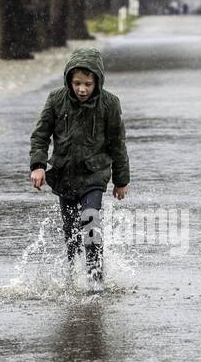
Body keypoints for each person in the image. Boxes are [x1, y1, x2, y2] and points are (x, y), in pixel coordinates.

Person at [29, 47, 130, 289]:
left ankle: (96, 277)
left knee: (90, 220)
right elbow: (40, 135)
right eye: (77, 83)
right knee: (71, 230)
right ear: (69, 81)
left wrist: (121, 180)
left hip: (95, 174)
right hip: (64, 174)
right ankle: (74, 277)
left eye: (87, 83)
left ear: (97, 81)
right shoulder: (56, 99)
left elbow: (118, 143)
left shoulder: (110, 104)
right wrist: (38, 165)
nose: (82, 89)